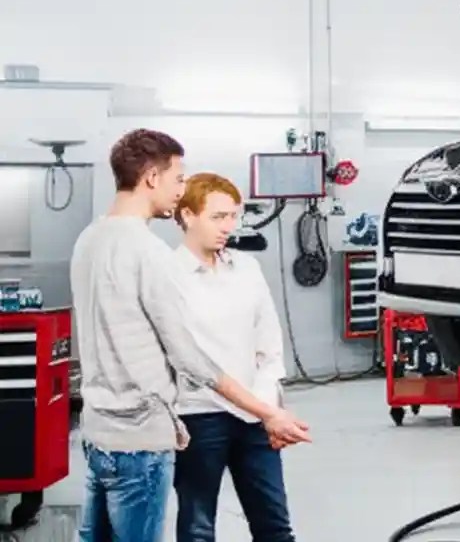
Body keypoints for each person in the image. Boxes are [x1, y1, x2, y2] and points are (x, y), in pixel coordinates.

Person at [70, 129, 311, 542]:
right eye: (177, 179)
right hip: (142, 435)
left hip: (99, 433)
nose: (180, 190)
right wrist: (269, 413)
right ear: (151, 178)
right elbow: (189, 358)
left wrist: (264, 404)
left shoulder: (89, 239)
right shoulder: (152, 254)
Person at [171, 172, 297, 541]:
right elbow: (183, 357)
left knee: (274, 525)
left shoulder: (247, 268)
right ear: (188, 215)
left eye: (233, 216)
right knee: (197, 528)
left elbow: (269, 343)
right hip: (197, 416)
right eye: (218, 217)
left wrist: (268, 407)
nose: (228, 226)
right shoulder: (168, 275)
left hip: (255, 416)